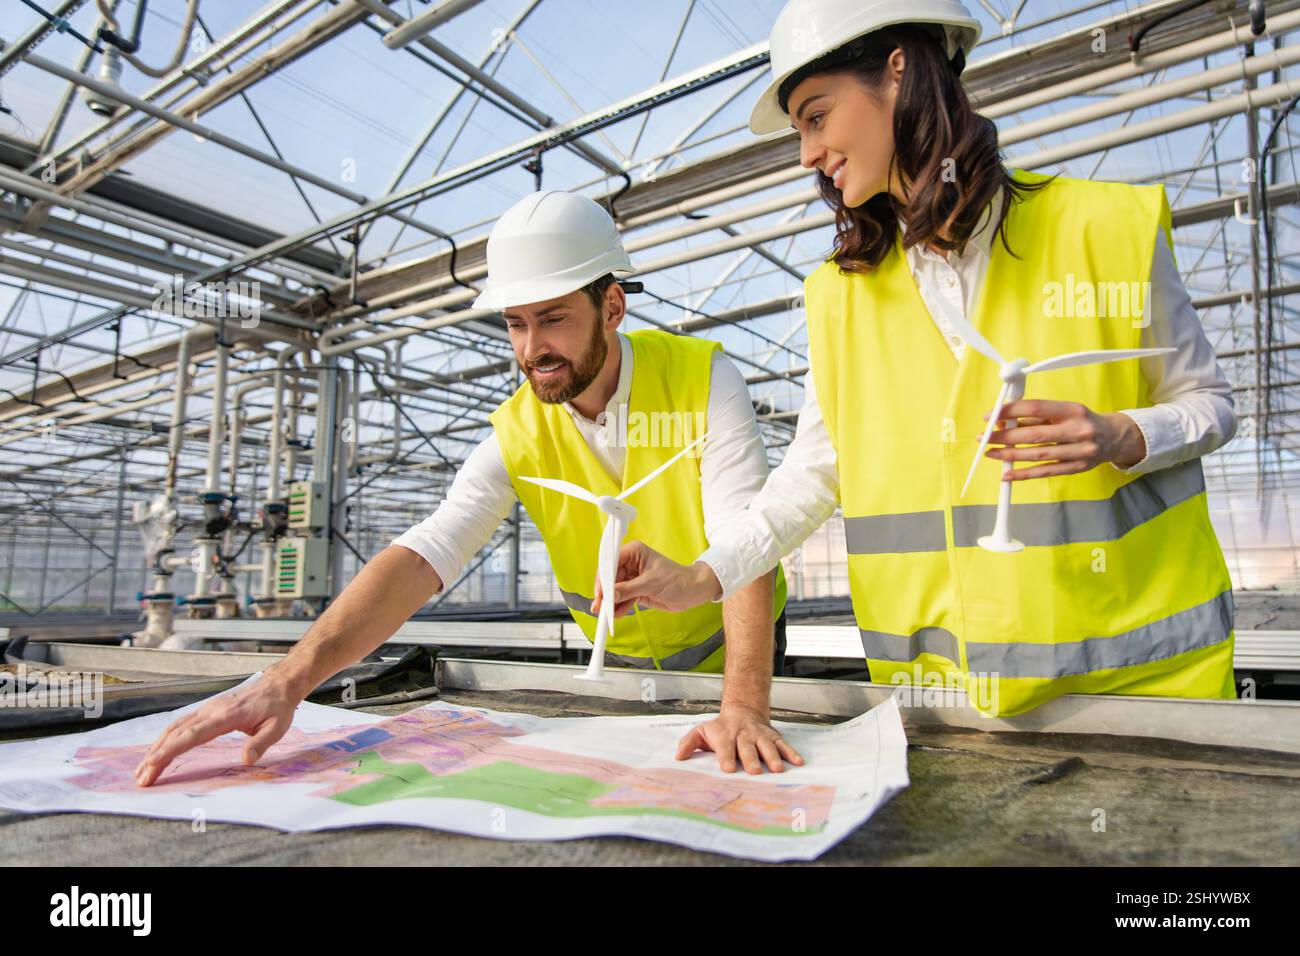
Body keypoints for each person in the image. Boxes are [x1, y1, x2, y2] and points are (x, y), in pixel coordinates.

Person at [596, 0, 1238, 718]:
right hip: (950, 710)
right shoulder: (841, 296)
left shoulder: (1105, 229)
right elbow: (810, 476)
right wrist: (701, 576)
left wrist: (1126, 435)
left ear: (898, 72)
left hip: (1143, 699)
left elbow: (1210, 404)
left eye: (816, 116)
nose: (806, 153)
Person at [134, 191, 802, 787]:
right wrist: (286, 679)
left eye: (553, 318)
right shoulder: (514, 431)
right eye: (516, 323)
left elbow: (743, 532)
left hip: (740, 661)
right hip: (619, 677)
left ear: (612, 307)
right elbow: (430, 550)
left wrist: (743, 706)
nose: (532, 348)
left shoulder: (701, 380)